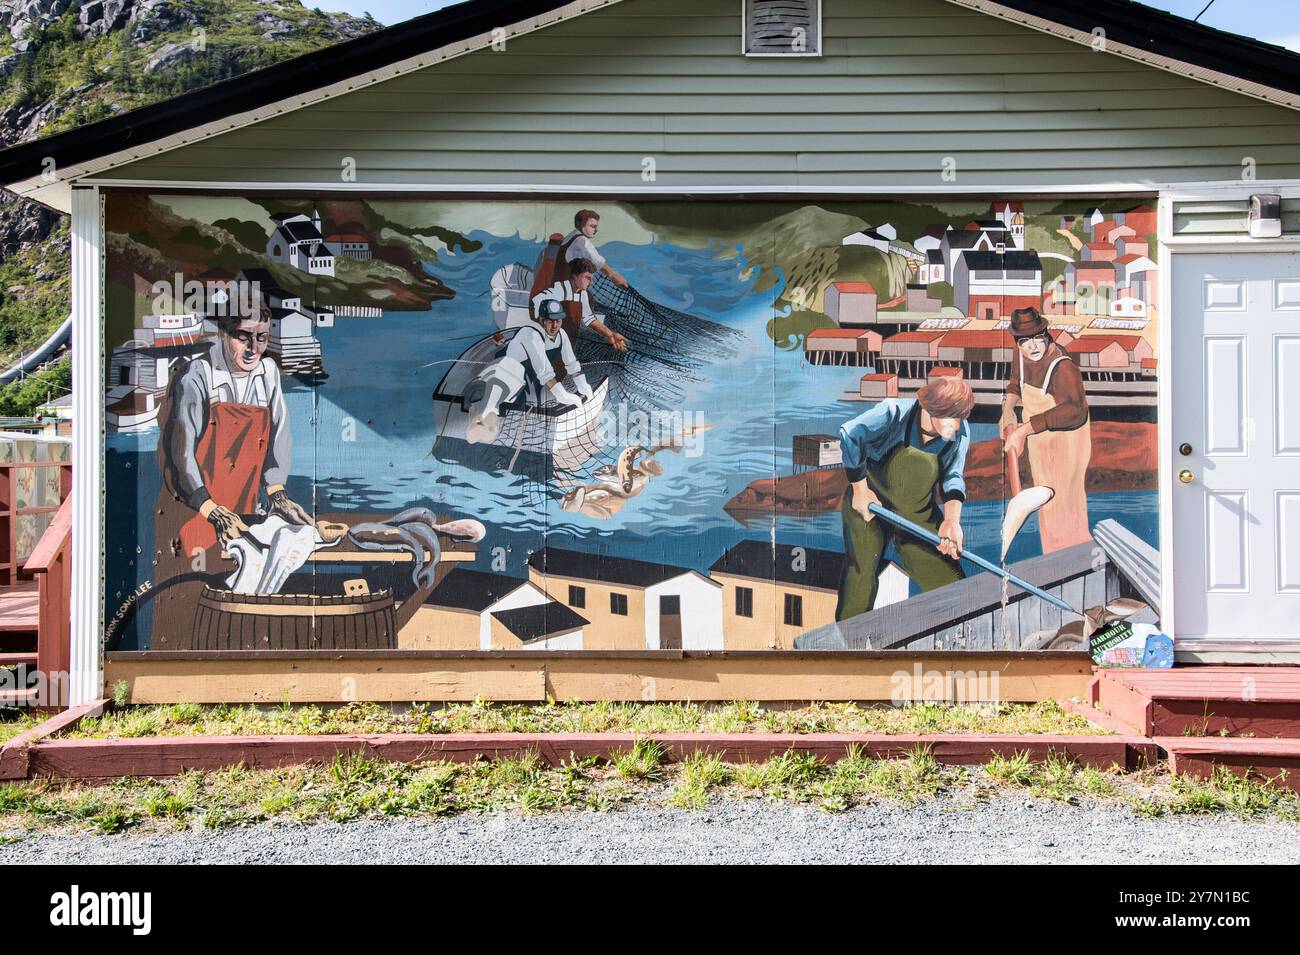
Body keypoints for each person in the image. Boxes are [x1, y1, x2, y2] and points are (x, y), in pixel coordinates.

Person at [152, 300, 311, 645]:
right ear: (224, 334)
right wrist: (211, 509)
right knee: (189, 603)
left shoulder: (268, 374)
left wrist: (277, 493)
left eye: (262, 338)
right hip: (192, 507)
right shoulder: (199, 376)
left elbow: (278, 435)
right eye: (243, 337)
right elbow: (178, 453)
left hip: (241, 509)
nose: (253, 348)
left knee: (237, 598)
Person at [836, 376, 975, 621]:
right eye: (950, 416)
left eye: (960, 417)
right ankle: (846, 647)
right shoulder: (894, 412)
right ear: (931, 409)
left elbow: (953, 476)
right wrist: (859, 490)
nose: (955, 424)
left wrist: (952, 520)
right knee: (861, 574)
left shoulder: (959, 431)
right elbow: (850, 433)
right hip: (870, 504)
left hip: (916, 513)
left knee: (951, 584)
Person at [999, 307, 1092, 553]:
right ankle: (1053, 555)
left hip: (1067, 441)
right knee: (1045, 507)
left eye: (1037, 337)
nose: (1032, 346)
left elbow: (1075, 411)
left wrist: (1022, 431)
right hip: (1040, 442)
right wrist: (1007, 411)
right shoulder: (1021, 353)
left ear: (1046, 334)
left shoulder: (1062, 367)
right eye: (1025, 341)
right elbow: (1015, 384)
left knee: (1064, 503)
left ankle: (1074, 559)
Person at [467, 298, 594, 444]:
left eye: (558, 321)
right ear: (541, 319)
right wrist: (563, 396)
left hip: (532, 377)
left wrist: (582, 384)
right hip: (509, 372)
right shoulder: (531, 334)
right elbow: (544, 371)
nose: (554, 326)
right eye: (550, 321)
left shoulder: (561, 334)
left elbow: (571, 363)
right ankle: (481, 424)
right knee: (498, 407)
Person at [532, 256, 628, 352]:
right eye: (587, 277)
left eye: (591, 278)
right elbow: (536, 301)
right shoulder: (559, 290)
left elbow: (590, 319)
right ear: (574, 277)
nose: (591, 281)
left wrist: (610, 334)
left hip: (567, 342)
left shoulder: (582, 294)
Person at [555, 209, 628, 288]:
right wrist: (613, 275)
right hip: (567, 285)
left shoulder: (572, 235)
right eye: (592, 226)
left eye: (596, 227)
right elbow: (597, 260)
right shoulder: (581, 240)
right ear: (581, 225)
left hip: (559, 281)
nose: (596, 230)